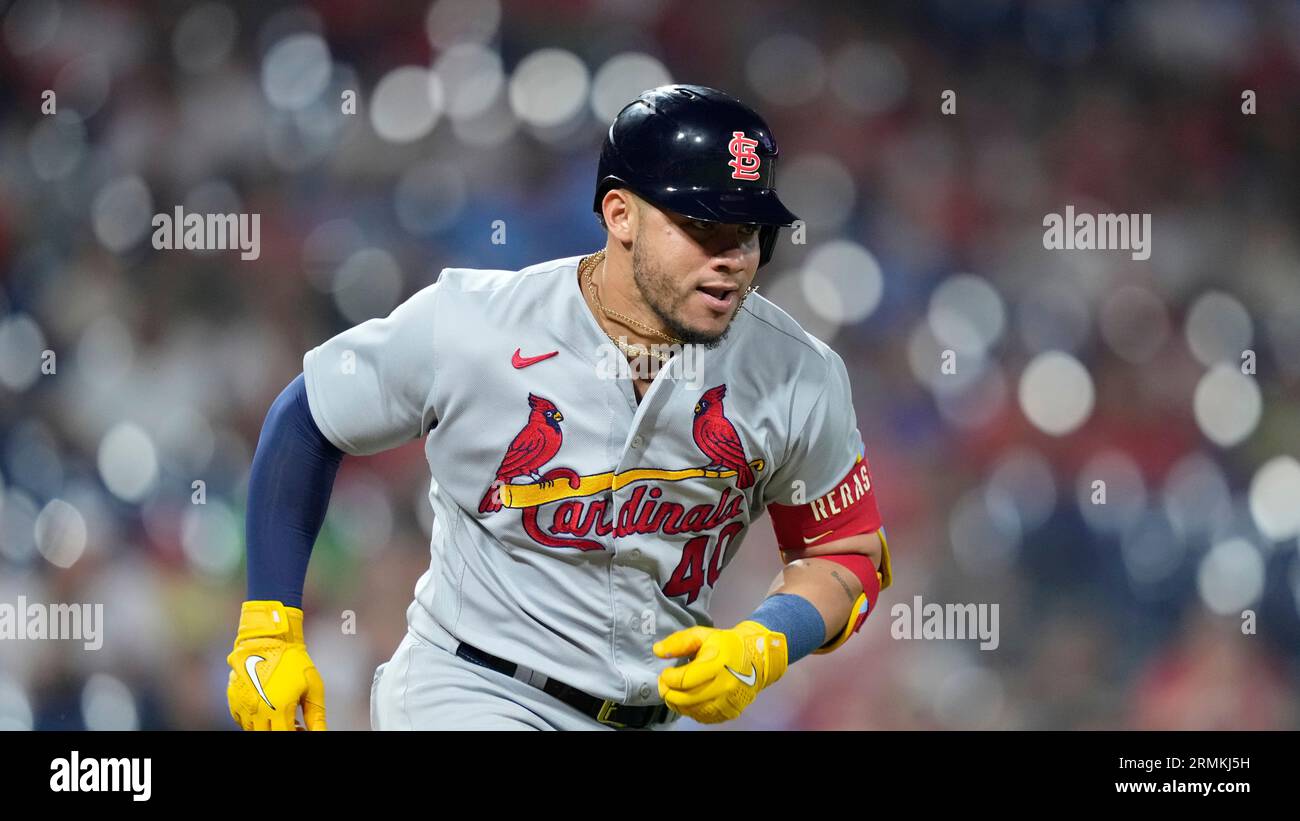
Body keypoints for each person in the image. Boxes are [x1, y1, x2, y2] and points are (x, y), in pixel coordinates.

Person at [226, 84, 892, 731]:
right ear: (620, 214)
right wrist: (270, 626)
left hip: (653, 714)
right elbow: (308, 417)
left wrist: (765, 643)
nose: (729, 261)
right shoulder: (475, 324)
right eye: (700, 227)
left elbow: (846, 553)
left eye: (746, 234)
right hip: (472, 689)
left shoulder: (798, 373)